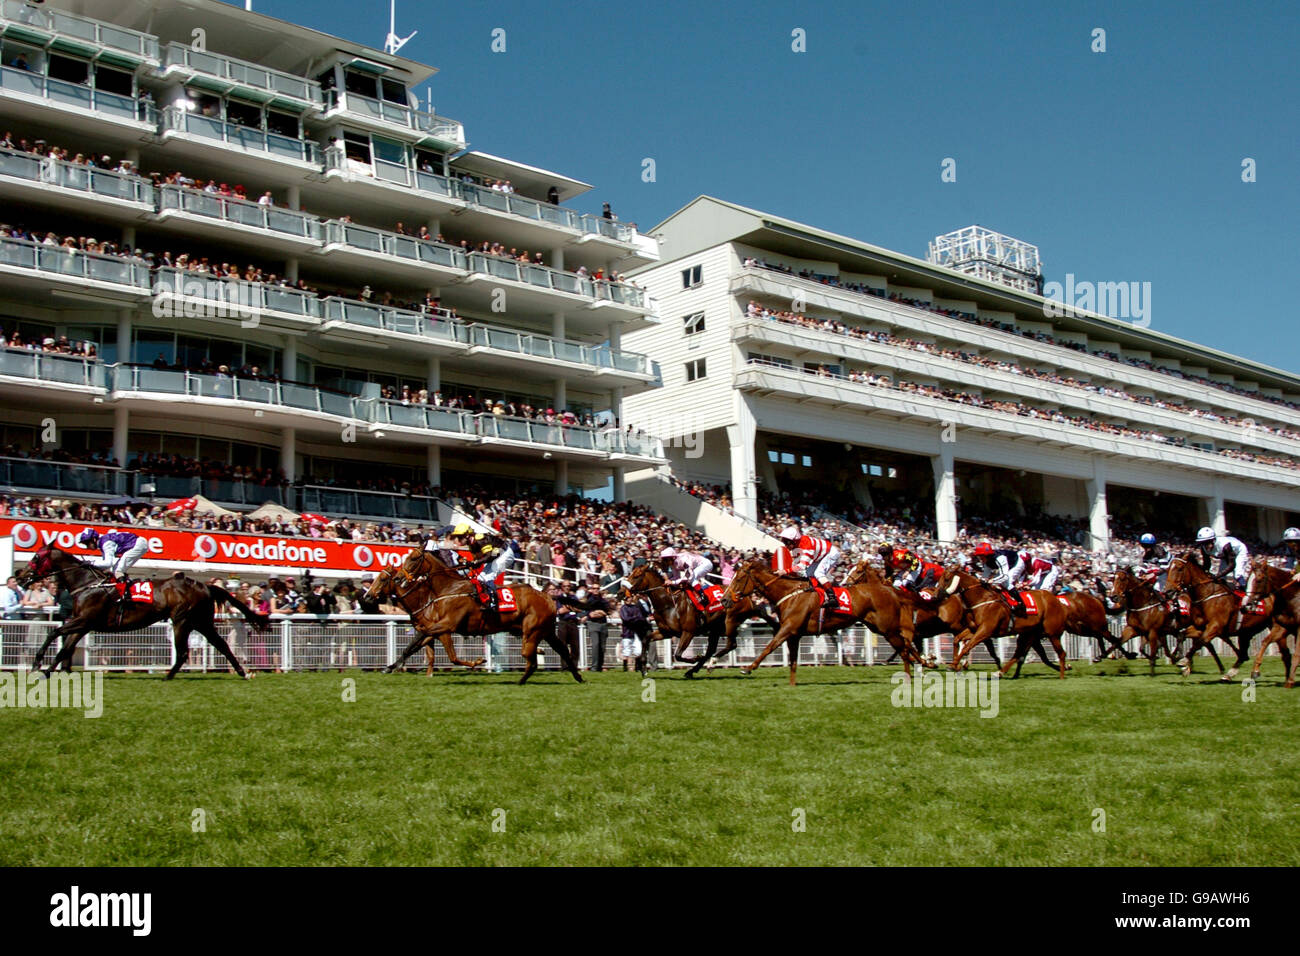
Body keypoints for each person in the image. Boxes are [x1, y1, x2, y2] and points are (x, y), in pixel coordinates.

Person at [778, 525, 841, 607]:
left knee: (818, 573)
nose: (786, 546)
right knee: (808, 573)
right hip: (820, 556)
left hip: (830, 553)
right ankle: (816, 592)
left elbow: (801, 566)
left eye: (787, 543)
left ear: (793, 541)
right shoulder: (797, 544)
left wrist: (784, 571)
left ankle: (833, 598)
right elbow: (794, 564)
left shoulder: (806, 545)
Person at [78, 527, 147, 584]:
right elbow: (105, 566)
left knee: (117, 570)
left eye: (87, 543)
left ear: (94, 539)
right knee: (114, 570)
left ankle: (126, 594)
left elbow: (108, 563)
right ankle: (128, 583)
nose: (87, 547)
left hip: (138, 544)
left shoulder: (106, 543)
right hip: (137, 543)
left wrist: (91, 563)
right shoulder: (103, 542)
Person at [582, 574, 610, 671]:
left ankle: (600, 666)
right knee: (595, 644)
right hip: (593, 624)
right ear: (591, 589)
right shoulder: (588, 600)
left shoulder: (603, 600)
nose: (596, 590)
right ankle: (594, 666)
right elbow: (588, 613)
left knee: (602, 646)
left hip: (602, 623)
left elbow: (606, 611)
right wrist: (595, 613)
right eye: (594, 588)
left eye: (597, 588)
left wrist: (599, 613)